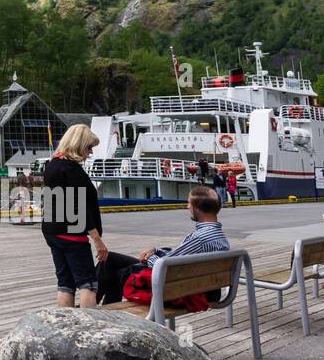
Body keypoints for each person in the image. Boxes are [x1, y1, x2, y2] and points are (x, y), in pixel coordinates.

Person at [97, 185, 230, 304]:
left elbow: (164, 266)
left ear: (198, 208)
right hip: (199, 285)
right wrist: (156, 251)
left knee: (114, 272)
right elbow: (179, 255)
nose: (187, 206)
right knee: (109, 258)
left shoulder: (199, 237)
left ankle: (90, 307)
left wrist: (150, 258)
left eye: (189, 203)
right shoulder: (219, 236)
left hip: (177, 289)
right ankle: (94, 306)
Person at [41, 124, 107, 308]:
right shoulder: (72, 169)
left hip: (52, 230)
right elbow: (79, 208)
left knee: (65, 284)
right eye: (88, 147)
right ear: (78, 145)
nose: (90, 153)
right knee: (88, 284)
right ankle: (89, 329)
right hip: (71, 233)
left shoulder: (52, 165)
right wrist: (97, 240)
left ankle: (65, 327)